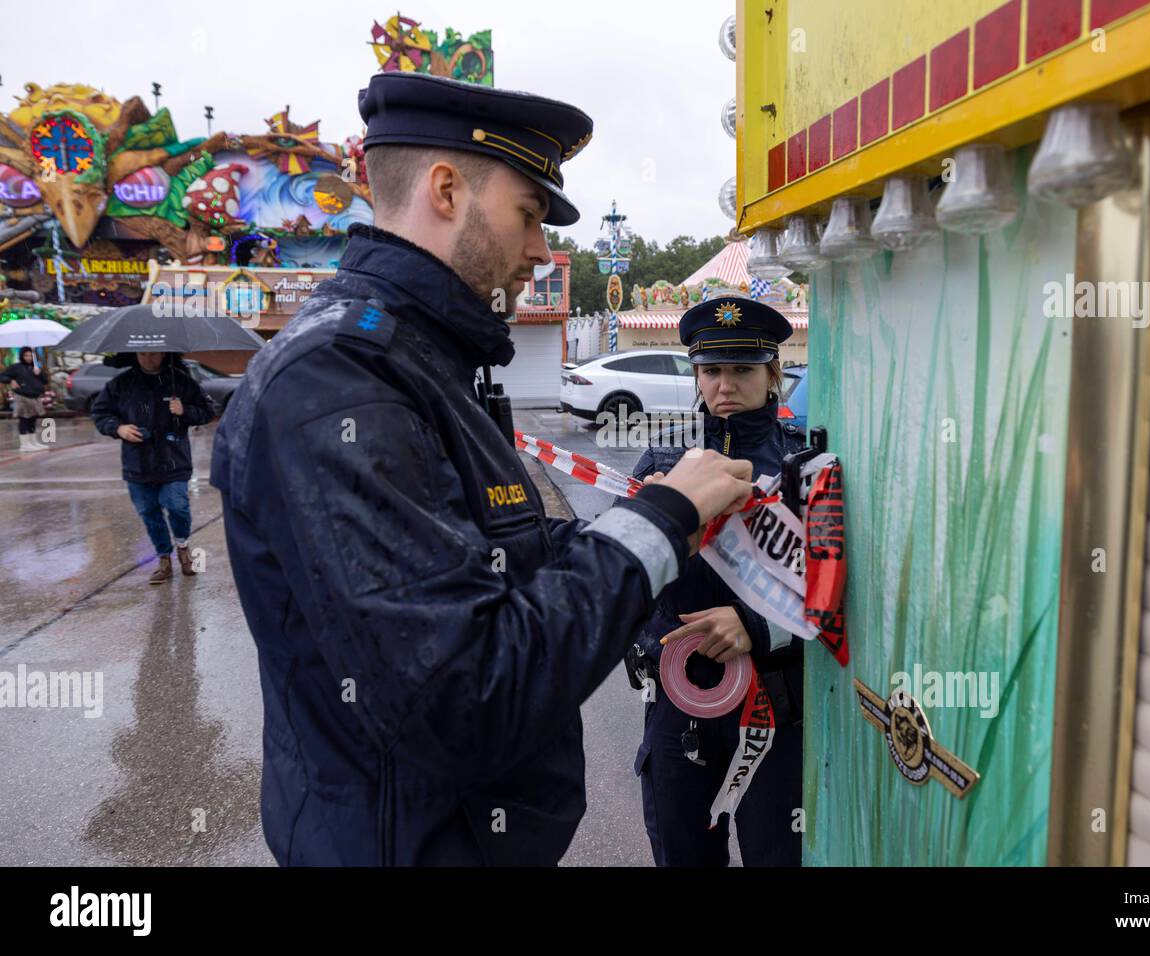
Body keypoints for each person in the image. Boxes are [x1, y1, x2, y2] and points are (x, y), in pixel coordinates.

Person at [209, 72, 754, 866]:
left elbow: (497, 568)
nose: (541, 249)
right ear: (444, 189)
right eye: (529, 215)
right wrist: (658, 523)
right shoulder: (339, 381)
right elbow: (467, 696)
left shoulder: (420, 361)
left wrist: (657, 522)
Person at [628, 295, 807, 867]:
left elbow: (835, 597)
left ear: (772, 372)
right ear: (697, 375)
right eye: (711, 370)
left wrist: (756, 625)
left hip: (771, 707)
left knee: (775, 857)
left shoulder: (805, 468)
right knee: (682, 857)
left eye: (742, 369)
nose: (725, 384)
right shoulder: (662, 460)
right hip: (678, 705)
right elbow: (627, 584)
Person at [91, 352, 215, 583]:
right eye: (142, 353)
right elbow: (100, 413)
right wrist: (118, 428)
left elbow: (208, 410)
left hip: (174, 459)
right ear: (134, 355)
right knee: (149, 512)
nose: (148, 358)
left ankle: (182, 546)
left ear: (164, 354)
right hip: (137, 463)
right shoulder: (121, 383)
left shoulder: (180, 381)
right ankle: (164, 558)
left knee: (176, 506)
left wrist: (185, 410)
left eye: (154, 353)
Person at [2, 347, 51, 453]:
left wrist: (40, 373)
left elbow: (46, 381)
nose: (28, 358)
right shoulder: (16, 367)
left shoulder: (36, 367)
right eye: (26, 355)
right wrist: (11, 380)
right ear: (22, 356)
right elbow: (3, 376)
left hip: (35, 396)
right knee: (24, 419)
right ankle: (25, 444)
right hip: (23, 396)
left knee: (33, 419)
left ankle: (33, 442)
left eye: (30, 355)